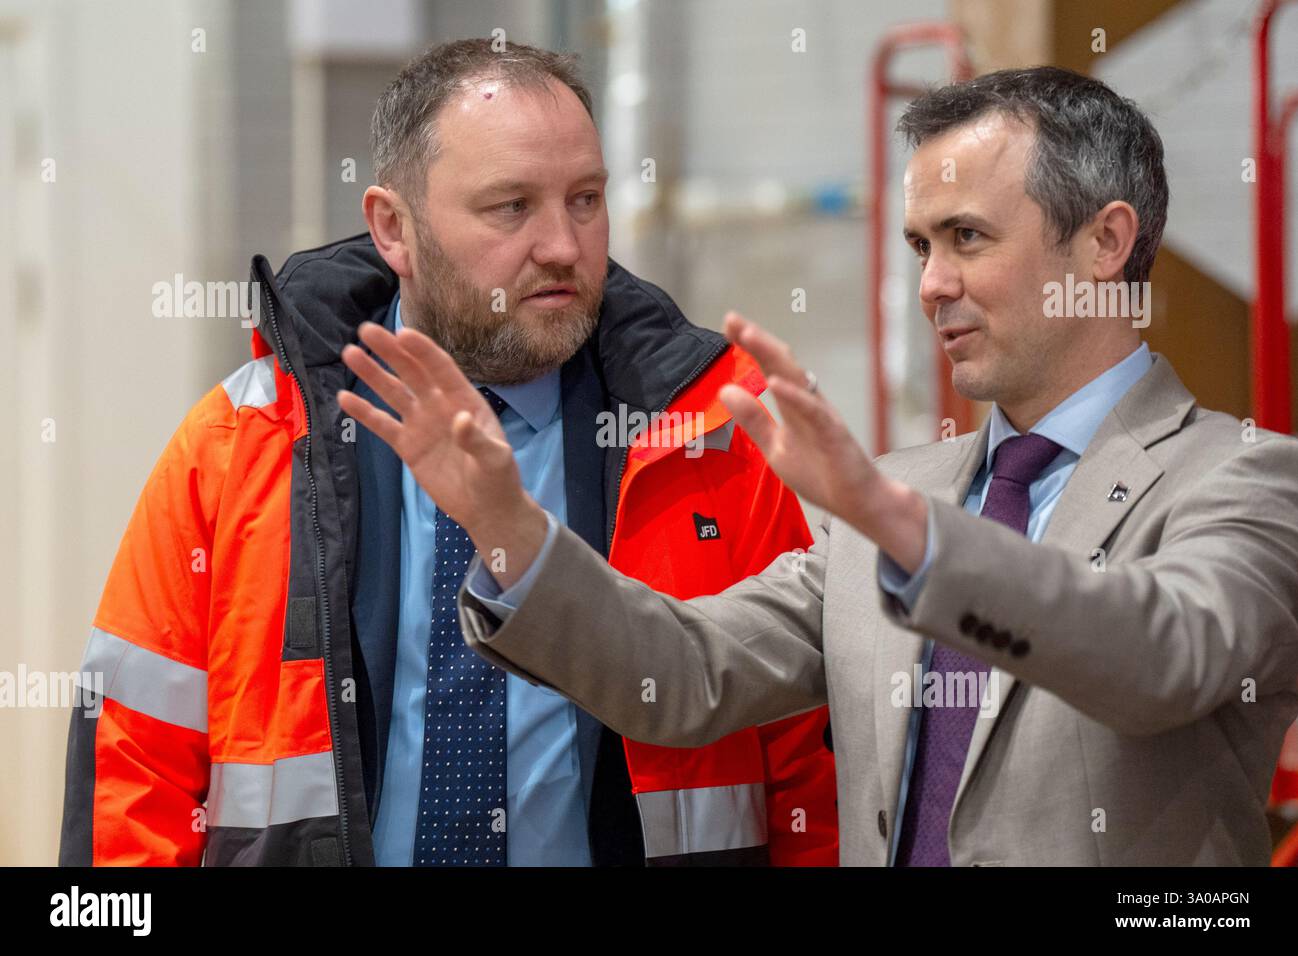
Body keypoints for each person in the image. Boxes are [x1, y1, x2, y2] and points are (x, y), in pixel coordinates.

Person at [338, 66, 1298, 866]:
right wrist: (506, 526)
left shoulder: (1246, 478)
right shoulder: (903, 492)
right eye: (922, 245)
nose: (932, 285)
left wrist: (902, 530)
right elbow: (679, 672)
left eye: (968, 237)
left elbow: (1157, 658)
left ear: (1105, 242)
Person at [58, 39, 838, 867]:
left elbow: (807, 772)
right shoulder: (241, 442)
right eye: (512, 207)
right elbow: (133, 771)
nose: (564, 246)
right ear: (395, 228)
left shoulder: (707, 444)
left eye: (586, 199)